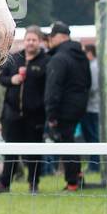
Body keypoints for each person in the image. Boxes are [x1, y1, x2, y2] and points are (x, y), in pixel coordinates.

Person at [0, 26, 49, 194]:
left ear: (39, 42)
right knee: (10, 151)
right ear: (24, 41)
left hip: (35, 115)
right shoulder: (15, 58)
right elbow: (1, 78)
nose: (30, 43)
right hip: (13, 114)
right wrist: (12, 80)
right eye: (28, 39)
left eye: (34, 40)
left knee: (34, 152)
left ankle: (33, 183)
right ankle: (4, 184)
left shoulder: (46, 61)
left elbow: (48, 87)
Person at [44, 21, 92, 191]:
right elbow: (88, 82)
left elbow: (53, 87)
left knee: (66, 143)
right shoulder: (81, 56)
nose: (50, 40)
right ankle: (78, 176)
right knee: (71, 141)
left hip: (63, 107)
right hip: (80, 105)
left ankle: (72, 182)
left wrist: (51, 113)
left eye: (52, 36)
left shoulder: (59, 58)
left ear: (60, 37)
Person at [82, 43, 101, 175]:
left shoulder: (93, 67)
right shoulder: (95, 65)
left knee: (93, 137)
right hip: (93, 106)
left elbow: (92, 87)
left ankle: (94, 165)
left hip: (92, 107)